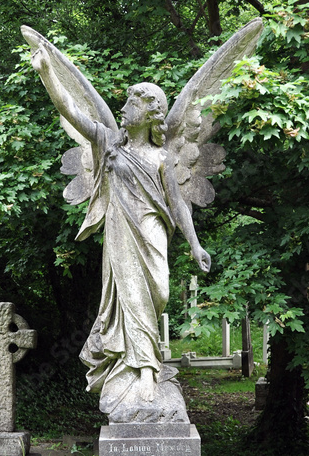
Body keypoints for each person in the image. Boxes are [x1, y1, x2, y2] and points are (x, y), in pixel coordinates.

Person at [30, 41, 211, 421]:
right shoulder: (109, 143)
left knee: (158, 290)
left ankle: (145, 365)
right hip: (120, 233)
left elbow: (177, 204)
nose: (123, 109)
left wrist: (195, 245)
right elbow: (72, 110)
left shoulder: (162, 157)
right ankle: (145, 373)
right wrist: (48, 73)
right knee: (132, 297)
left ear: (150, 114)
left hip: (153, 231)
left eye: (132, 104)